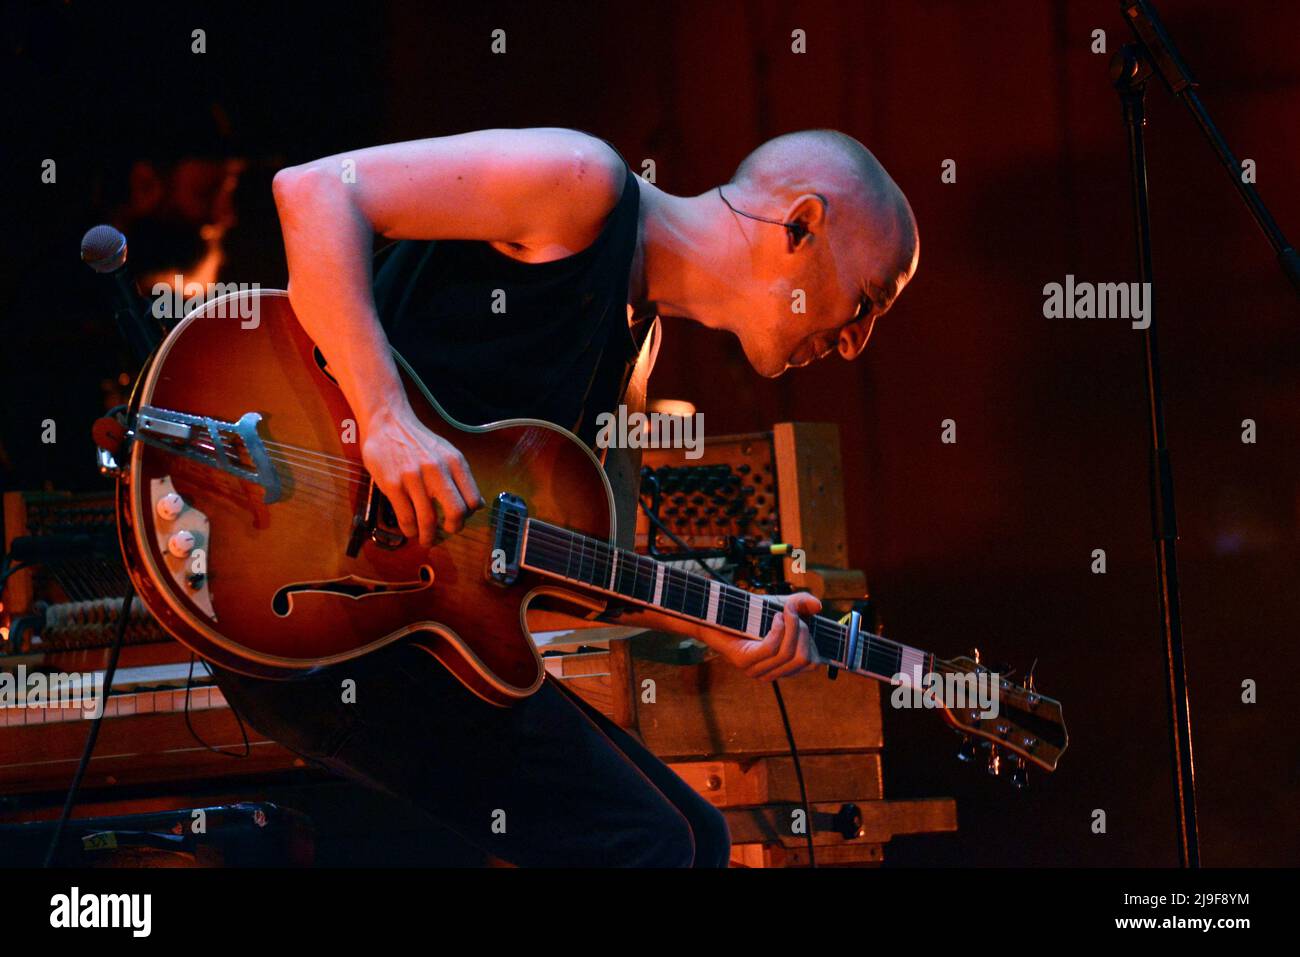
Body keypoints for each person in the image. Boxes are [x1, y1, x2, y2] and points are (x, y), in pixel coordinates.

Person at [211, 127, 919, 867]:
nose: (855, 343)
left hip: (400, 632)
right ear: (800, 223)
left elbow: (567, 572)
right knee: (647, 843)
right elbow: (316, 188)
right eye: (867, 299)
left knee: (697, 837)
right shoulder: (581, 184)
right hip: (304, 595)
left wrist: (723, 626)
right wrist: (385, 417)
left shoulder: (636, 350)